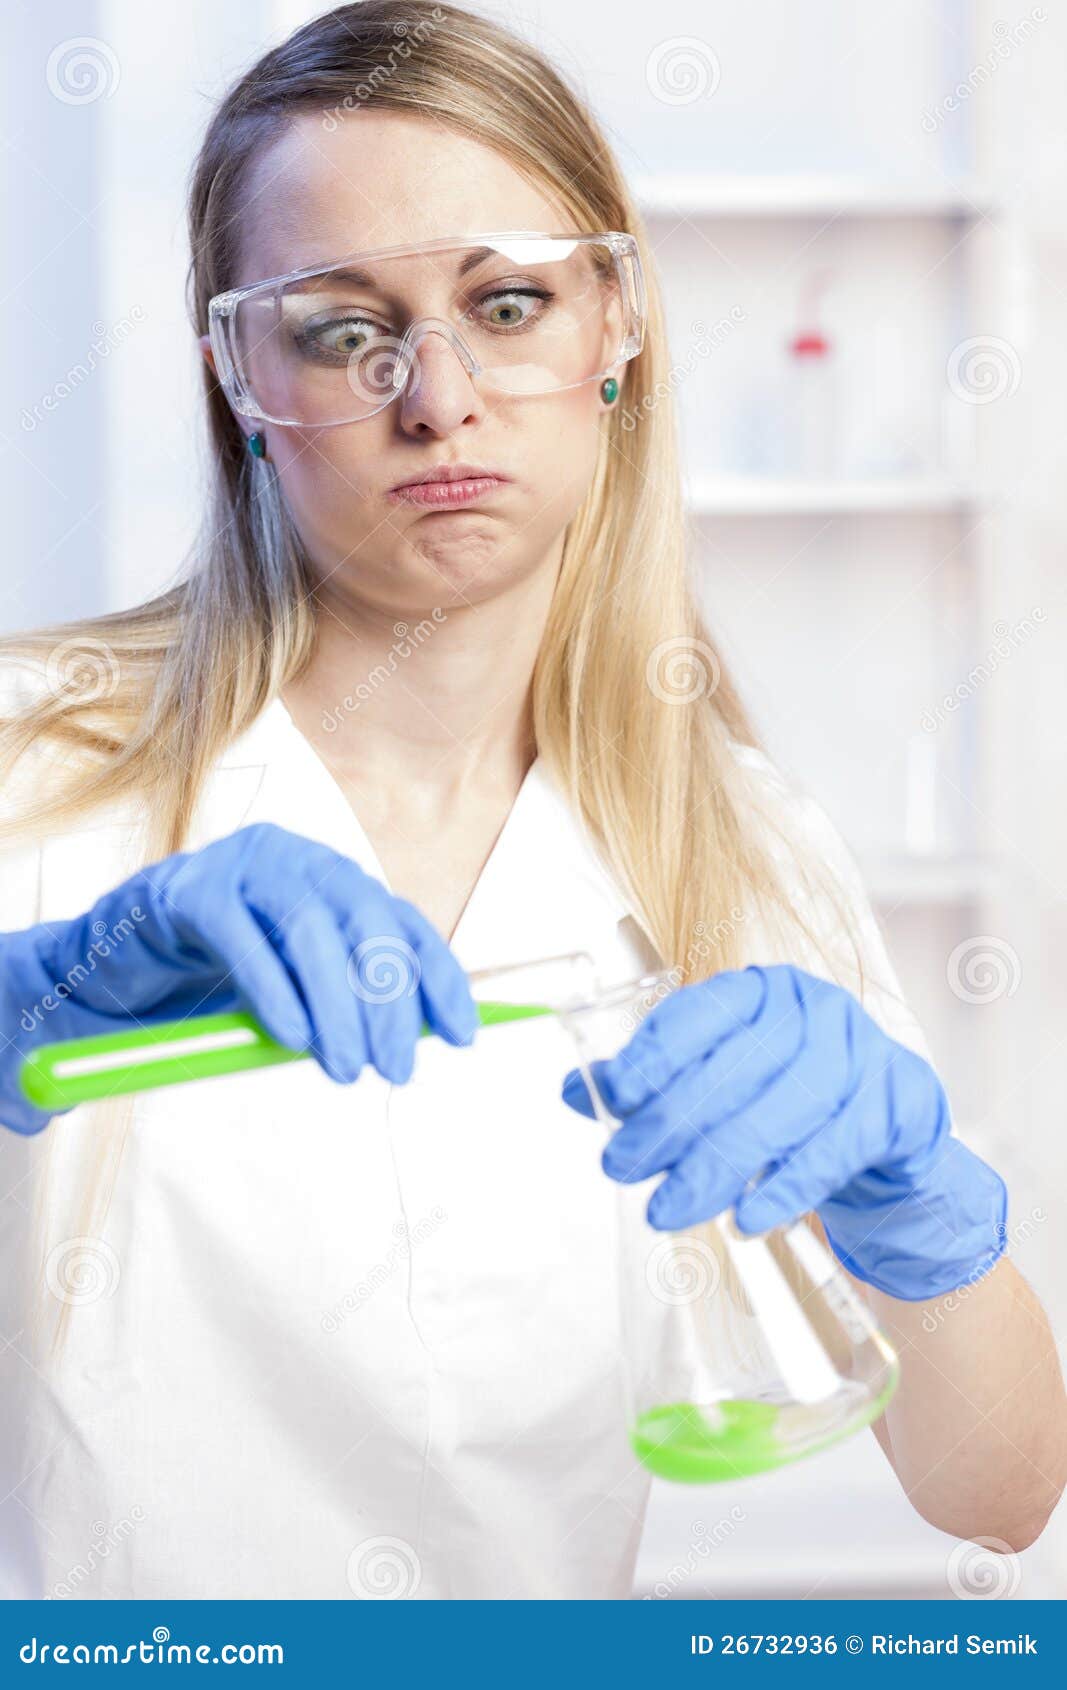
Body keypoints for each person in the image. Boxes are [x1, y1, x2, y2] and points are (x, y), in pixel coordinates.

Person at [0, 0, 1064, 1601]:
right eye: (341, 328)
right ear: (236, 372)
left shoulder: (737, 845)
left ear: (615, 324)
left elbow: (998, 1492)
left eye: (506, 302)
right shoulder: (34, 760)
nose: (435, 397)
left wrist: (922, 1208)